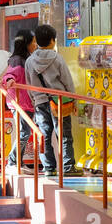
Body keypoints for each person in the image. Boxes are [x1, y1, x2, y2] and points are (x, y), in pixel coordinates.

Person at [27, 23, 81, 176]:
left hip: (39, 102)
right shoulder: (57, 58)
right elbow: (67, 81)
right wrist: (74, 100)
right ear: (52, 40)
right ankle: (68, 166)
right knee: (64, 134)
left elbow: (29, 83)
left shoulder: (30, 61)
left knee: (44, 135)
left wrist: (35, 101)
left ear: (37, 40)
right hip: (60, 101)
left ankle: (49, 168)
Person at [0, 29, 36, 167]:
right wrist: (10, 80)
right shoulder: (17, 60)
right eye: (33, 42)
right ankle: (13, 161)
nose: (35, 45)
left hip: (25, 102)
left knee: (24, 132)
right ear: (26, 43)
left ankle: (17, 162)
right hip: (20, 103)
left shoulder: (26, 59)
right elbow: (10, 74)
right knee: (24, 132)